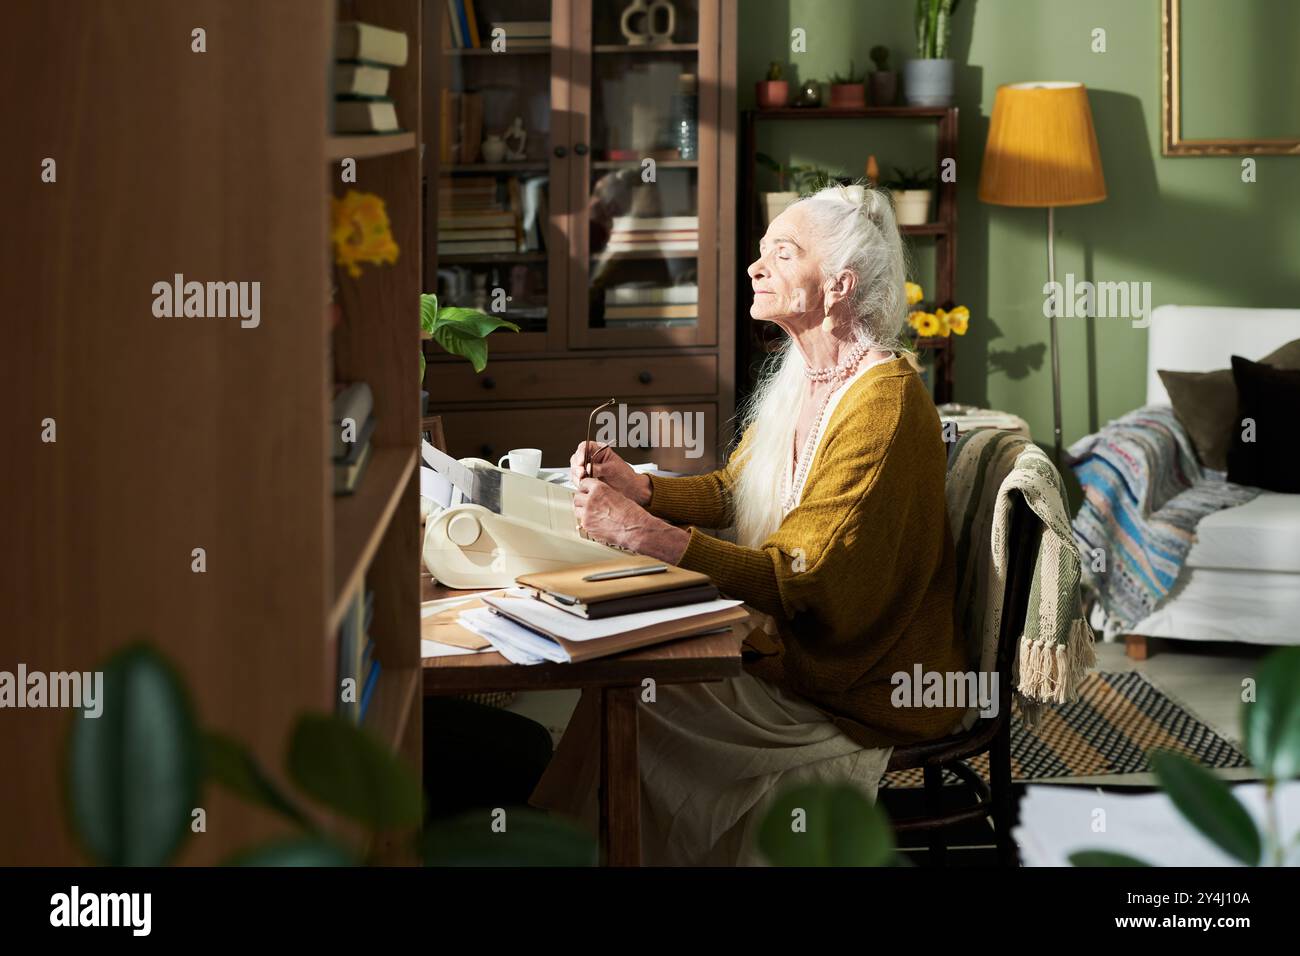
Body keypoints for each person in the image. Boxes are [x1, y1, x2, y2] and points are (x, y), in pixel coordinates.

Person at [529, 182, 967, 865]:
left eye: (782, 255)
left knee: (642, 699)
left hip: (856, 687)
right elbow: (740, 488)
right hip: (795, 658)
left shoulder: (881, 405)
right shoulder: (807, 374)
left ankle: (572, 851)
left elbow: (803, 577)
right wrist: (641, 488)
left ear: (839, 288)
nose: (755, 268)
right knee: (630, 688)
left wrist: (644, 534)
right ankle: (569, 851)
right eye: (761, 253)